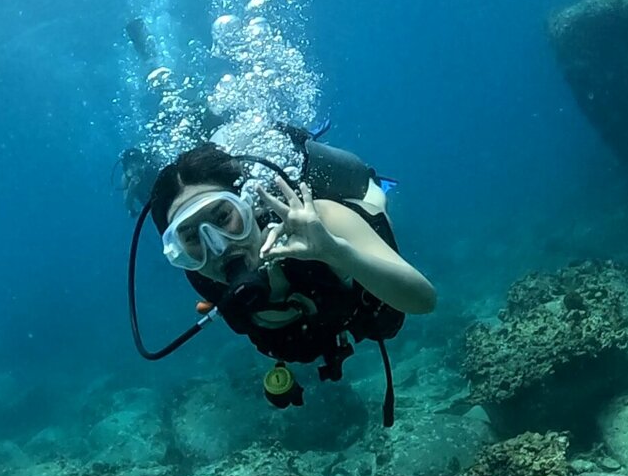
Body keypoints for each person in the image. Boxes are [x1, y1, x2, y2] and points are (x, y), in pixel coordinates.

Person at [128, 127, 436, 425]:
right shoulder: (200, 271)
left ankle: (375, 193)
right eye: (191, 238)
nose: (218, 246)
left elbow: (424, 301)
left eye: (223, 217)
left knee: (385, 315)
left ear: (248, 205)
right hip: (320, 326)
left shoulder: (317, 220)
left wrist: (336, 253)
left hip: (354, 270)